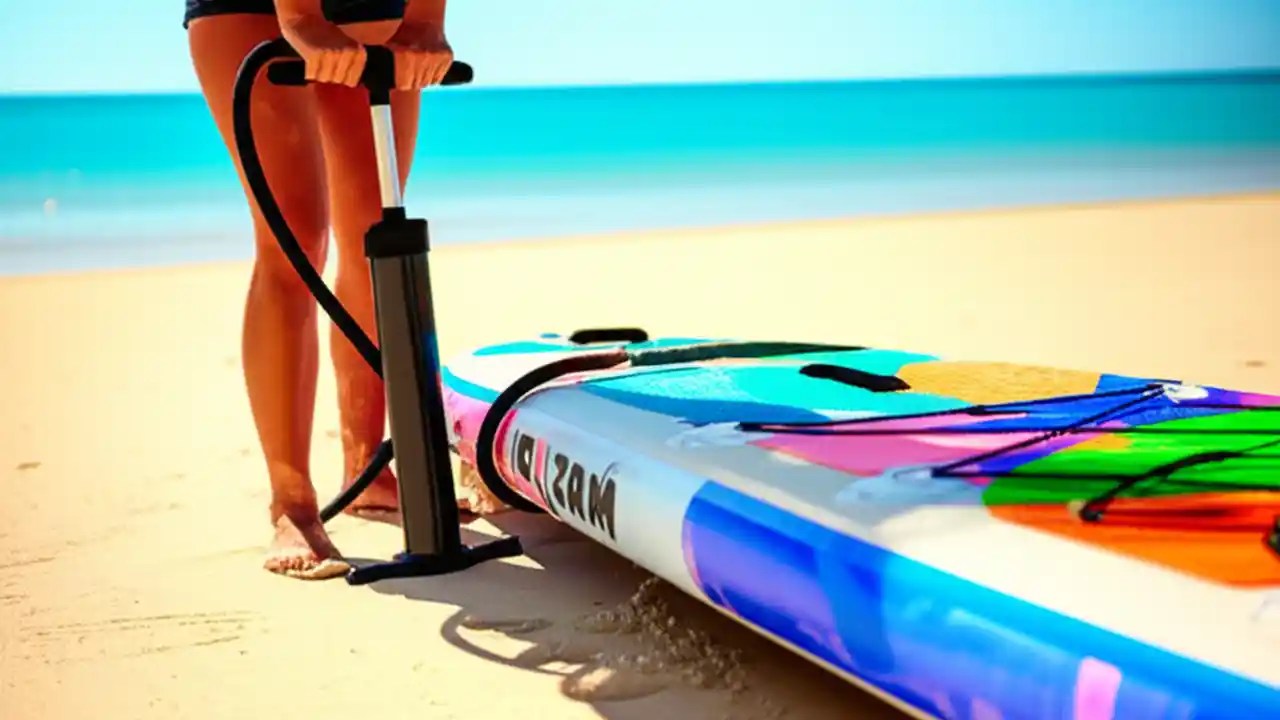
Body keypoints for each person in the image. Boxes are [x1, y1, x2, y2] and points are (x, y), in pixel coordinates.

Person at [185, 0, 454, 580]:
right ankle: (292, 503)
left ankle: (368, 473)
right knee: (294, 242)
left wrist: (426, 22)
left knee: (372, 239)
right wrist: (301, 16)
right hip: (251, 9)